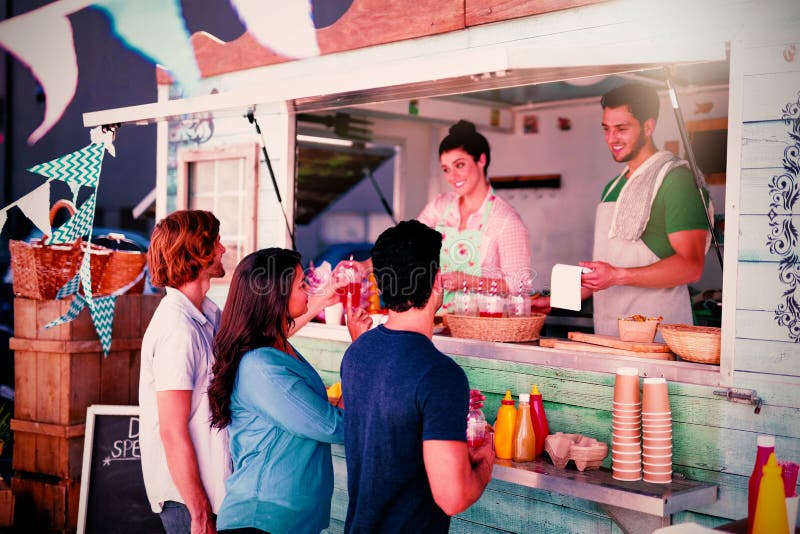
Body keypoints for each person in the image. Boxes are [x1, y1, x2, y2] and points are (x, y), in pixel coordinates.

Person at [340, 220, 495, 533]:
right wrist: (484, 462)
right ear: (437, 280)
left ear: (381, 286)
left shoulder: (357, 352)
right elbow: (452, 498)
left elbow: (392, 443)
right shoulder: (440, 374)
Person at [207, 248, 371, 534]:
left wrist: (325, 296)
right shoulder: (261, 366)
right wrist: (360, 350)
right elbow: (336, 427)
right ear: (276, 297)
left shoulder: (278, 348)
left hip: (289, 521)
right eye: (302, 285)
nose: (309, 289)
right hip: (261, 520)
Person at [341, 120, 532, 311]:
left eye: (459, 165)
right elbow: (404, 246)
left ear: (481, 160)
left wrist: (469, 281)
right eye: (446, 169)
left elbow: (520, 286)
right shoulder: (440, 206)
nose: (452, 176)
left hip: (481, 328)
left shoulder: (506, 220)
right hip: (436, 322)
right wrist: (365, 266)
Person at [580, 83, 712, 335]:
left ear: (648, 126)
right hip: (609, 335)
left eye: (621, 129)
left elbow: (691, 266)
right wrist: (552, 300)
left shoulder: (676, 180)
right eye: (606, 129)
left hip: (659, 338)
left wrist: (617, 276)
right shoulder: (612, 187)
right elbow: (606, 272)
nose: (611, 139)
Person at [139, 210, 231, 534]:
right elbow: (172, 431)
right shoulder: (178, 329)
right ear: (196, 252)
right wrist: (200, 513)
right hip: (189, 502)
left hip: (212, 492)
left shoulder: (205, 315)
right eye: (216, 242)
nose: (223, 249)